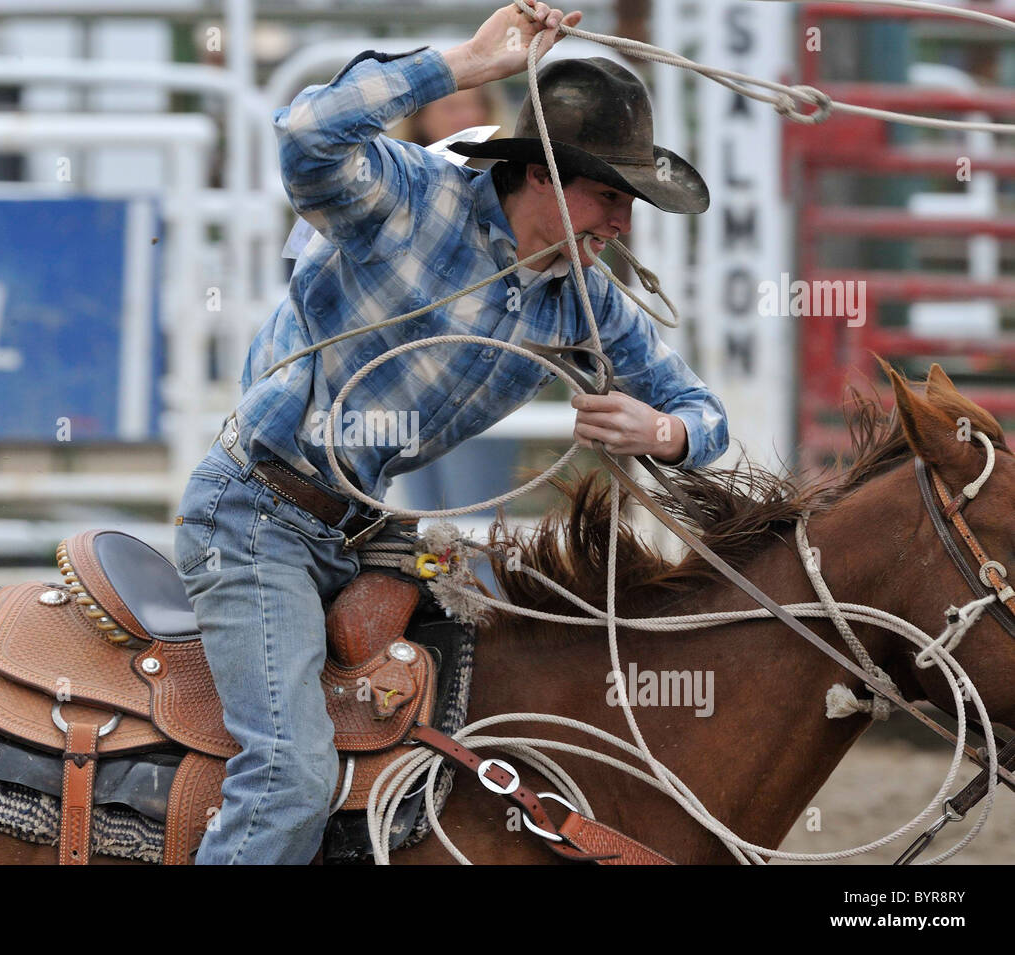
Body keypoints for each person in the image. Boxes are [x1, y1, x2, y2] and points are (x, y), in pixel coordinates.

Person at [172, 1, 729, 865]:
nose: (622, 224)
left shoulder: (582, 302)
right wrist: (467, 63)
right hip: (254, 514)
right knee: (286, 773)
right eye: (609, 195)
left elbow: (702, 414)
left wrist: (659, 430)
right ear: (542, 172)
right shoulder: (410, 196)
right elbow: (306, 130)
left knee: (456, 740)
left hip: (351, 530)